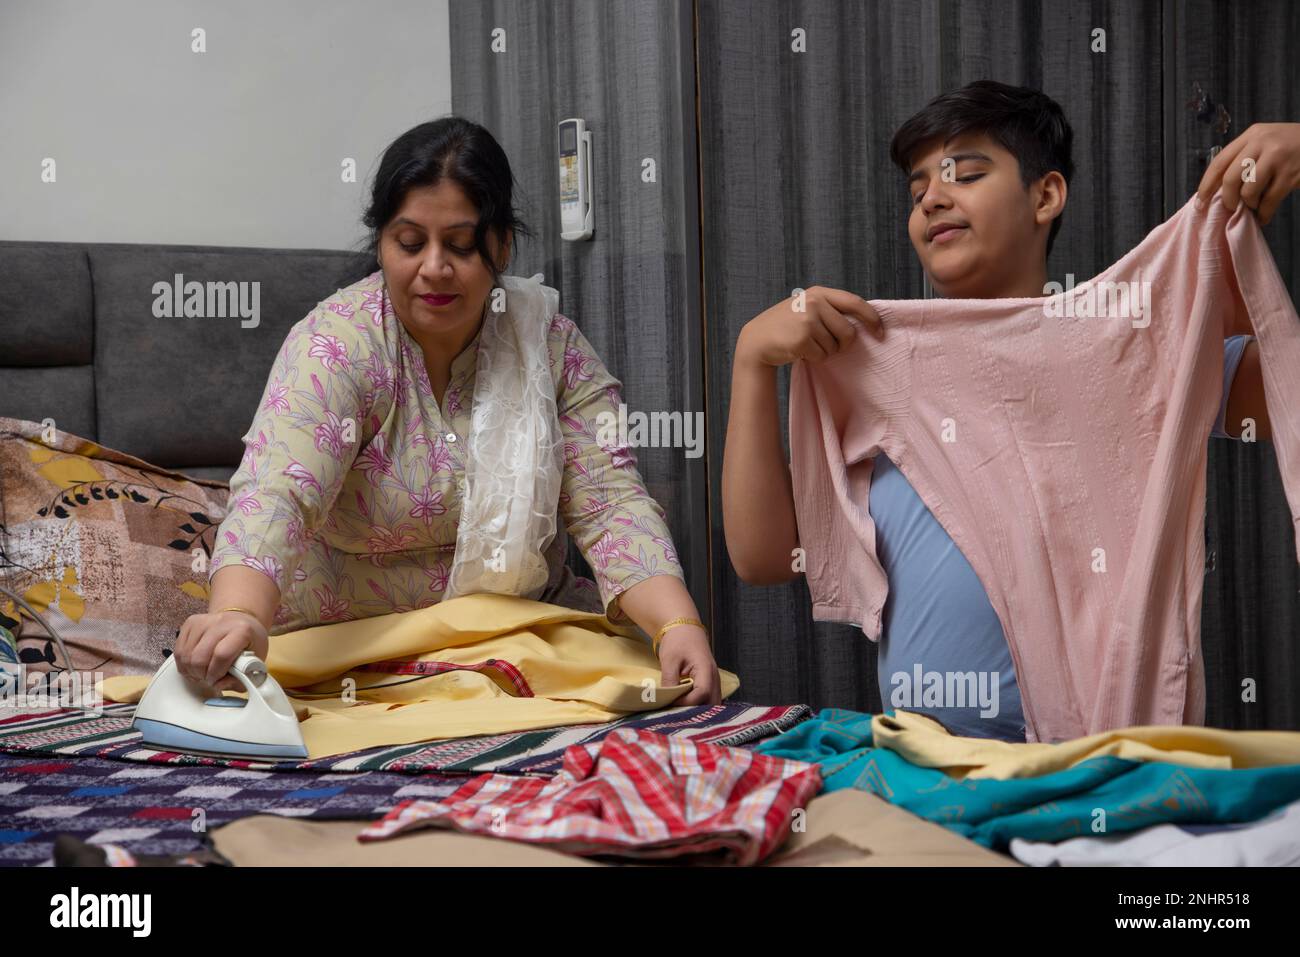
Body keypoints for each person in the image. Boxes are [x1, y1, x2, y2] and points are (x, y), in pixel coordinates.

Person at [724, 80, 1297, 741]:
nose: (933, 198)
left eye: (964, 174)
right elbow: (764, 556)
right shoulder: (876, 364)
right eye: (917, 194)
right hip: (934, 781)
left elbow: (1288, 372)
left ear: (1045, 196)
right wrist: (750, 362)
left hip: (1102, 771)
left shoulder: (1133, 348)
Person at [175, 116, 720, 704]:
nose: (434, 267)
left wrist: (676, 624)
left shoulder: (549, 346)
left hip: (517, 644)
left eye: (460, 245)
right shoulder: (337, 346)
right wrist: (238, 614)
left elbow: (610, 501)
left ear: (502, 245)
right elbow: (279, 493)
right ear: (382, 242)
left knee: (650, 700)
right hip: (353, 659)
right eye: (410, 244)